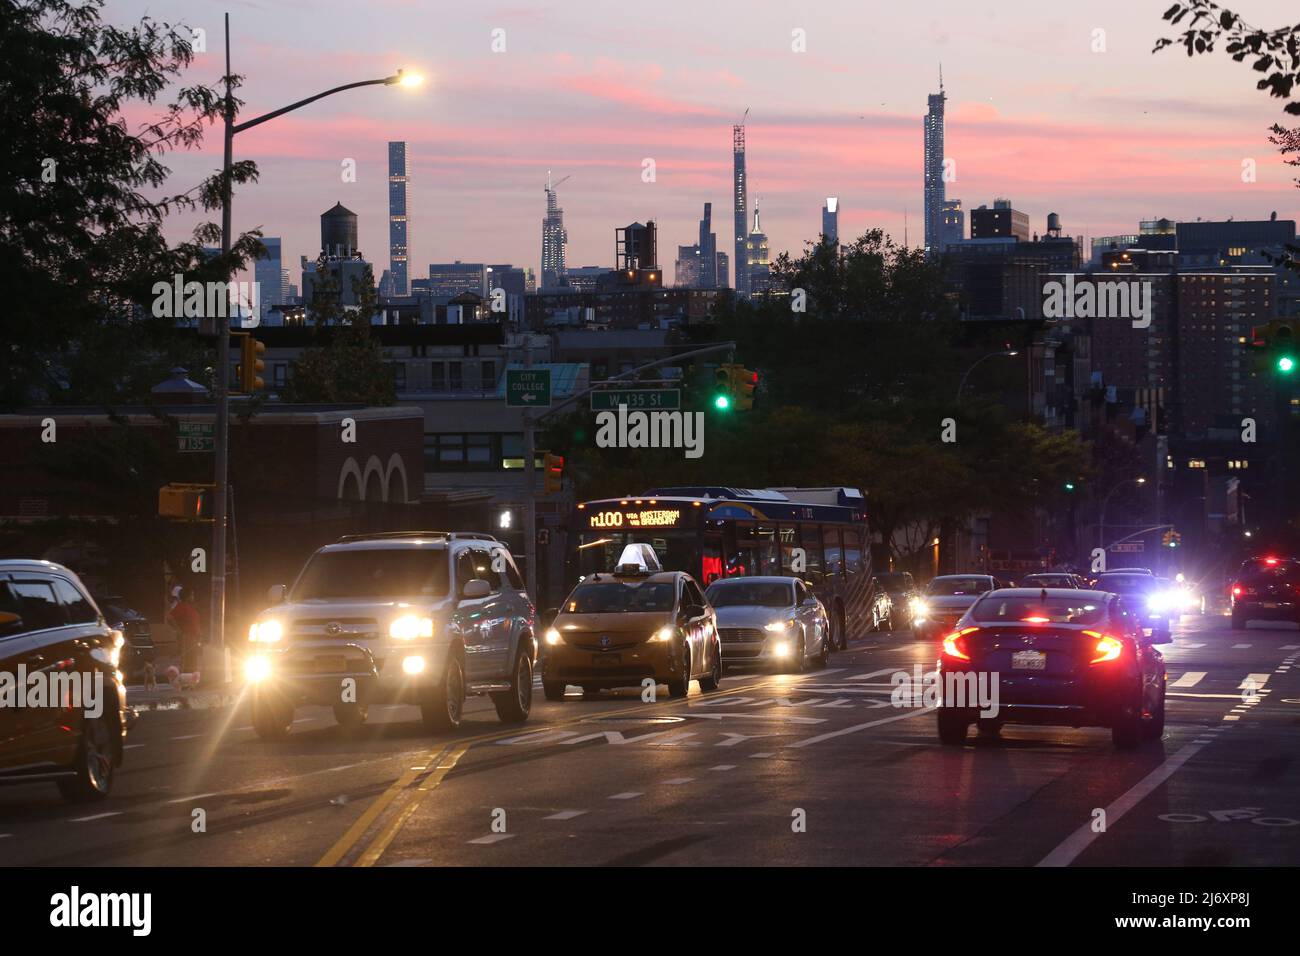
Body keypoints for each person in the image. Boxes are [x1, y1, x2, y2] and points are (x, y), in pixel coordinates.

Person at [166, 587, 202, 673]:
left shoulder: (191, 607)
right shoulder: (181, 606)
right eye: (192, 595)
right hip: (187, 638)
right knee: (187, 661)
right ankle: (185, 681)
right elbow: (169, 618)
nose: (193, 597)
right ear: (188, 596)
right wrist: (179, 630)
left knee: (193, 661)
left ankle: (190, 682)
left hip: (194, 638)